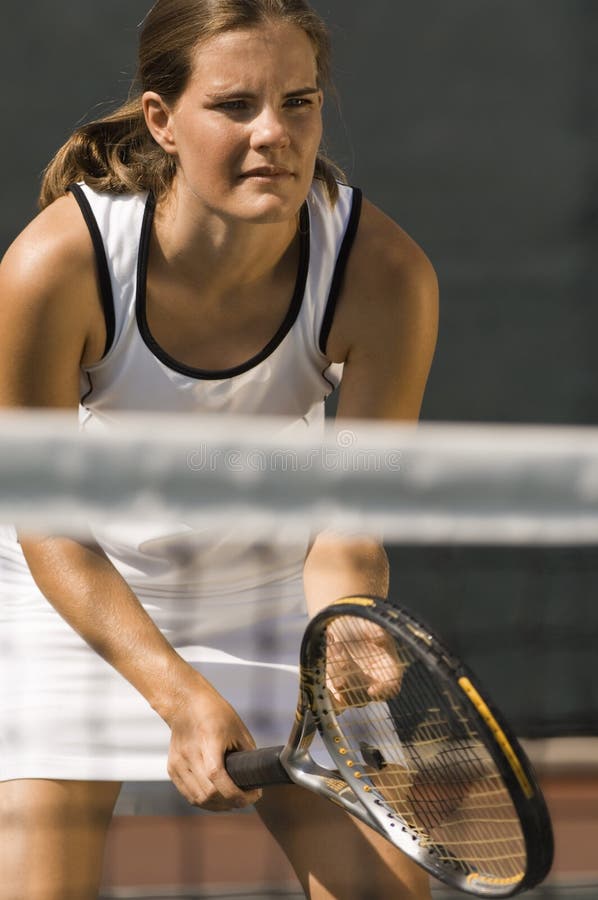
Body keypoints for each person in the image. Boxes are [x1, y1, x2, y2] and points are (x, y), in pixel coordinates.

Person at [0, 1, 438, 897]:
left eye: (299, 103)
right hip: (74, 597)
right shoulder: (55, 267)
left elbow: (348, 532)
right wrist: (180, 695)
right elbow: (49, 529)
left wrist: (347, 628)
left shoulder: (386, 276)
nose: (274, 134)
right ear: (162, 120)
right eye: (235, 106)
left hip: (277, 597)